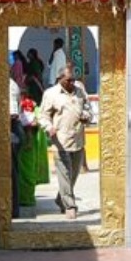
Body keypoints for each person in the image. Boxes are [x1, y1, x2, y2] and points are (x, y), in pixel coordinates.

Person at [40, 64, 94, 219]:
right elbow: (43, 116)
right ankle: (70, 206)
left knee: (73, 176)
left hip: (78, 140)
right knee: (64, 174)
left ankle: (61, 199)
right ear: (60, 79)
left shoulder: (80, 91)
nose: (72, 83)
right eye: (68, 80)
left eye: (73, 80)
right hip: (60, 141)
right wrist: (49, 127)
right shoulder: (50, 94)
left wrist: (86, 116)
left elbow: (89, 110)